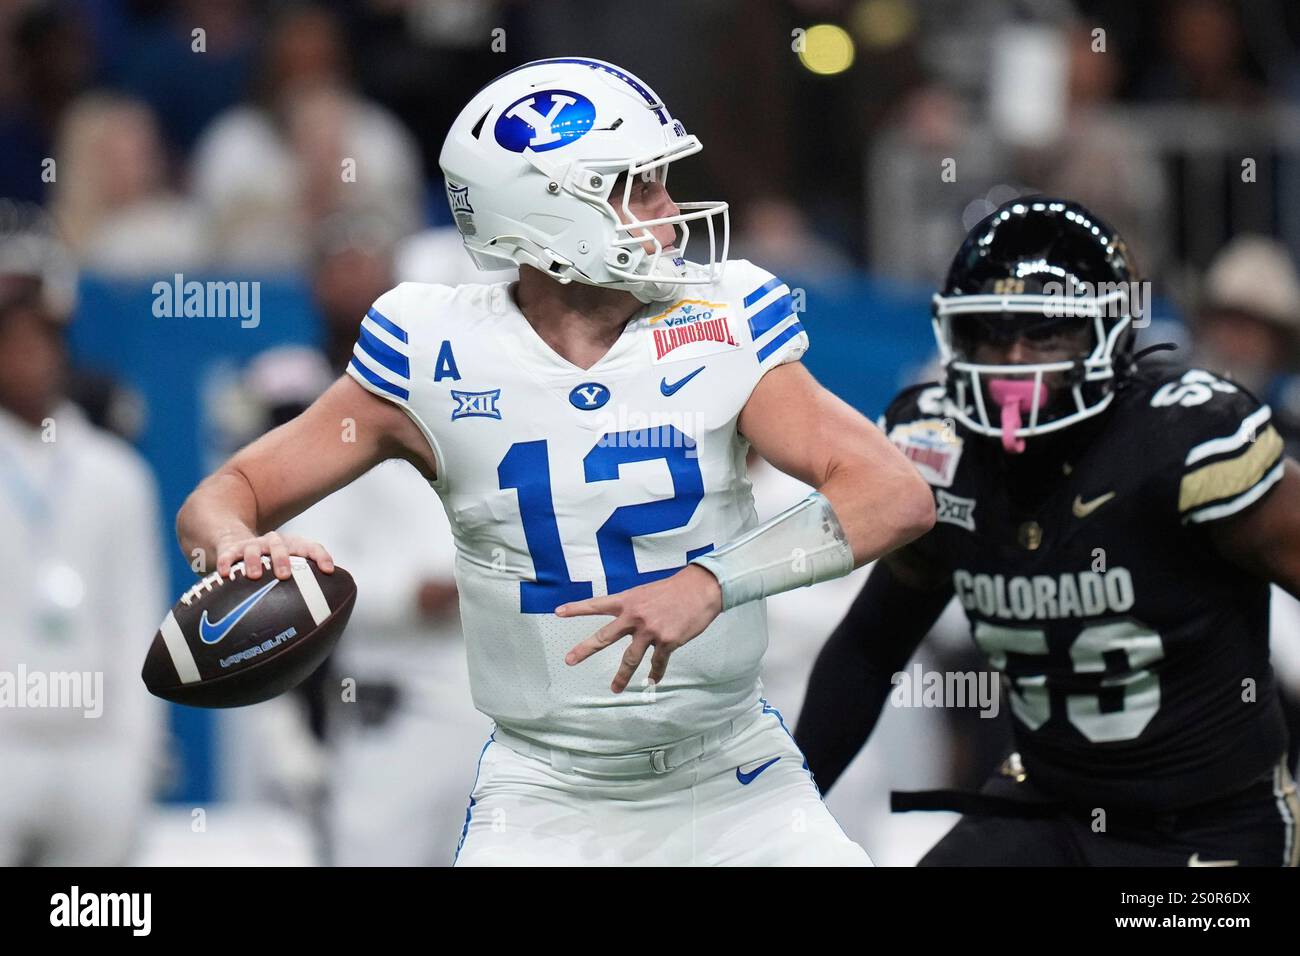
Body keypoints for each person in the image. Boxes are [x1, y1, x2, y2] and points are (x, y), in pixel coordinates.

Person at [175, 57, 934, 866]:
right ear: (545, 208)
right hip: (546, 795)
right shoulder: (434, 348)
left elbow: (895, 494)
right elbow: (227, 494)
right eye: (640, 188)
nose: (671, 217)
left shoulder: (722, 318)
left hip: (731, 772)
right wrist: (237, 546)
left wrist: (711, 582)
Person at [796, 197, 1300, 866]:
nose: (1013, 364)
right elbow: (869, 650)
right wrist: (790, 810)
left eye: (1043, 335)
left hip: (1208, 828)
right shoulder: (940, 456)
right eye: (992, 334)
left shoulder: (1181, 444)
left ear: (1107, 337)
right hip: (1048, 806)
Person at [0, 269, 168, 865]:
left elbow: (136, 615)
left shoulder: (116, 473)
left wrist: (137, 749)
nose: (27, 361)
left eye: (39, 344)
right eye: (11, 345)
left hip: (98, 745)